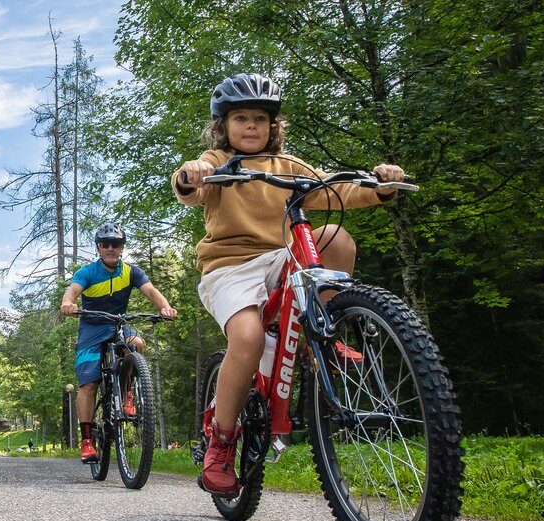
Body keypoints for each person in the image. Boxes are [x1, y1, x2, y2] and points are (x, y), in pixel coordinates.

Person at [172, 73, 406, 497]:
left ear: (273, 125)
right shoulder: (217, 161)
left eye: (260, 119)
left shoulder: (290, 166)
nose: (251, 125)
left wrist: (380, 186)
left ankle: (325, 333)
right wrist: (192, 174)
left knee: (335, 236)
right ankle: (221, 443)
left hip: (283, 257)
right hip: (230, 267)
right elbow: (190, 184)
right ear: (223, 126)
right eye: (240, 118)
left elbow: (336, 188)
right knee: (247, 338)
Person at [60, 224, 177, 463]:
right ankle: (87, 440)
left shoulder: (131, 272)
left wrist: (165, 307)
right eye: (105, 244)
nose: (111, 248)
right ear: (99, 248)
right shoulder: (87, 272)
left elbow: (151, 291)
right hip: (91, 328)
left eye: (116, 244)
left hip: (117, 325)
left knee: (137, 344)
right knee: (88, 384)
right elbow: (72, 291)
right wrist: (68, 303)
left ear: (122, 247)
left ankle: (127, 394)